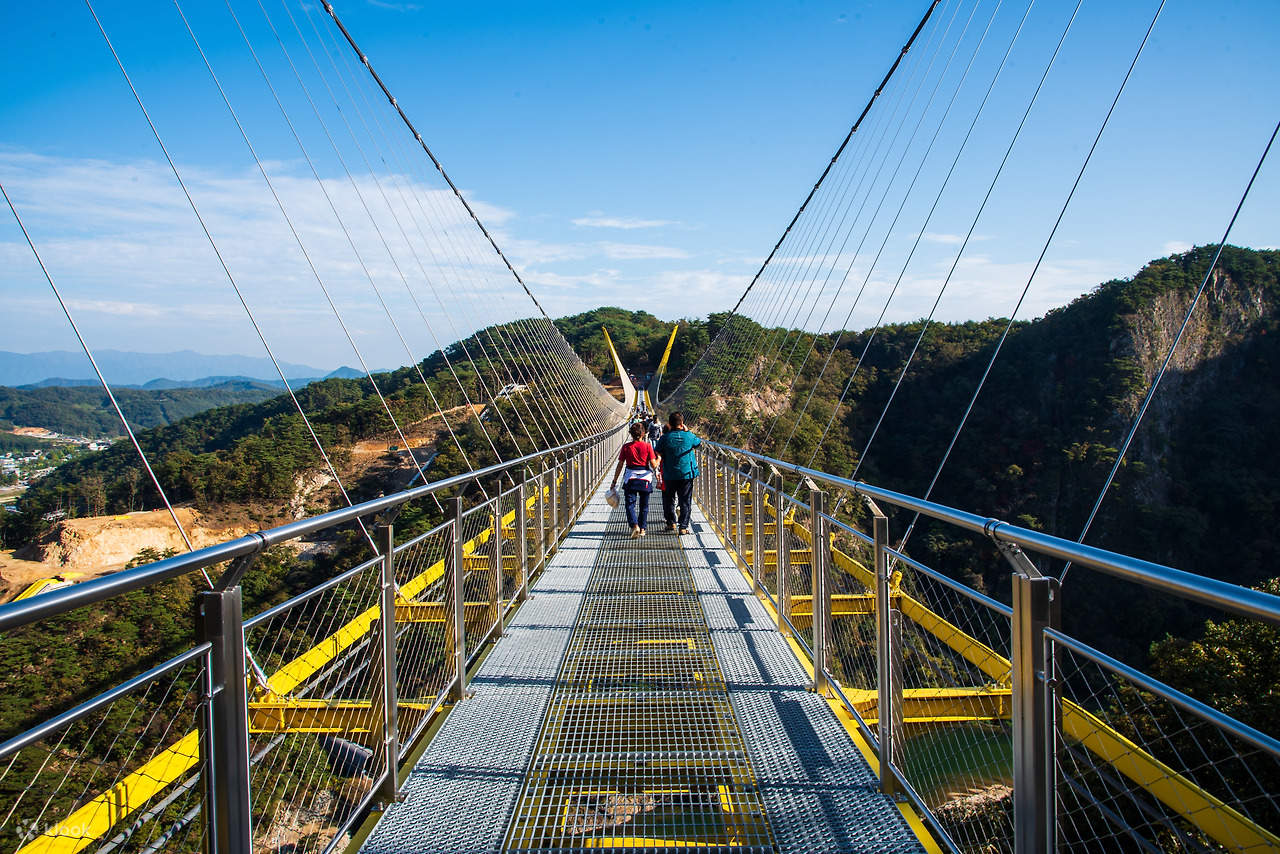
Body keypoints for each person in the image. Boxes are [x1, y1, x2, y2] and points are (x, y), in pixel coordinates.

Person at [654, 411, 700, 535]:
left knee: (668, 499)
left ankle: (671, 523)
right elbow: (698, 443)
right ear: (682, 423)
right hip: (686, 474)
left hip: (669, 473)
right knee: (685, 500)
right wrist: (687, 431)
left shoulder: (665, 438)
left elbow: (657, 450)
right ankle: (683, 527)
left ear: (670, 423)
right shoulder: (689, 436)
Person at [610, 422, 659, 538]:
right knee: (644, 506)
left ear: (631, 434)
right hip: (645, 479)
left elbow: (620, 465)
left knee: (630, 504)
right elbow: (653, 464)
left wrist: (614, 481)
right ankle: (642, 529)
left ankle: (634, 525)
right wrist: (659, 459)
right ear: (643, 433)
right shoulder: (647, 446)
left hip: (630, 478)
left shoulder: (626, 447)